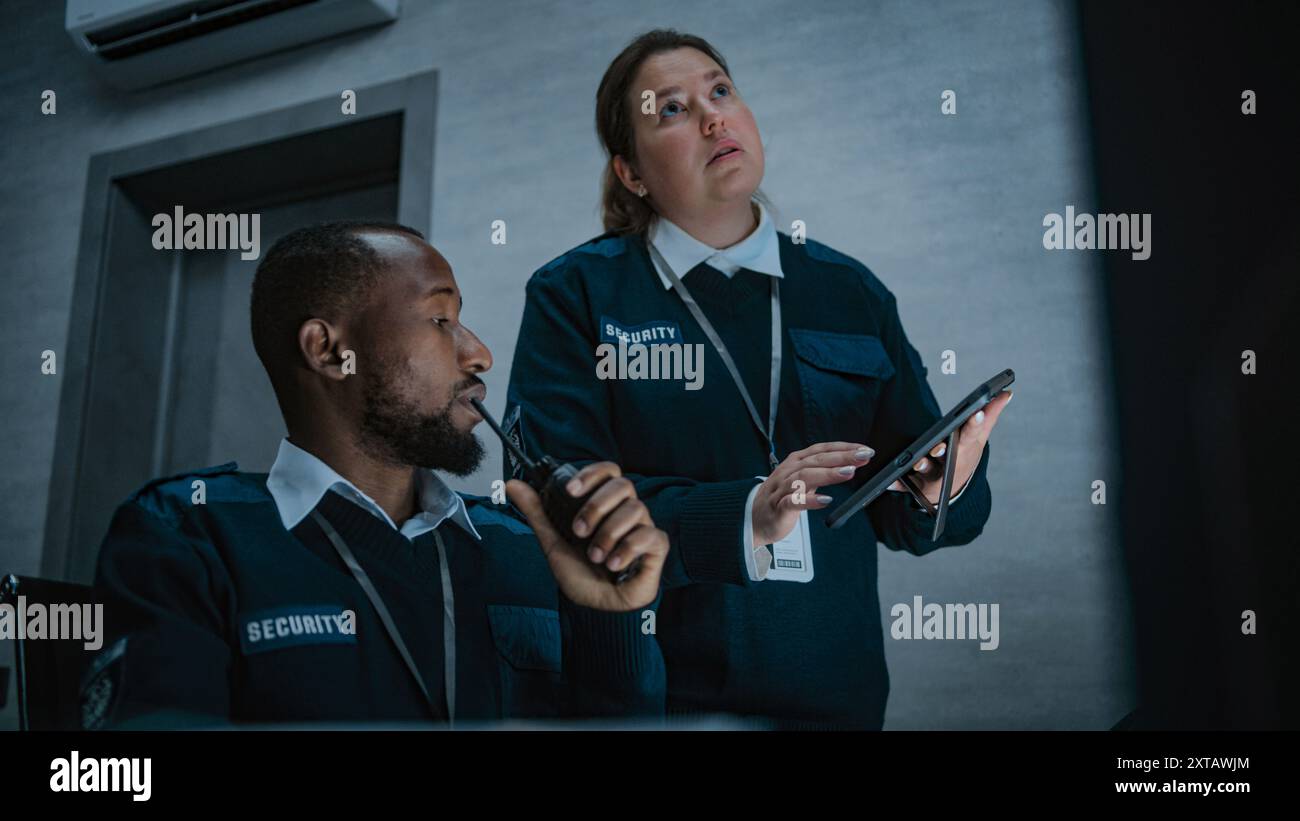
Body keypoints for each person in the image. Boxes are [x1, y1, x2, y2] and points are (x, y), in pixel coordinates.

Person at [503, 30, 1013, 729]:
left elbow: (915, 518)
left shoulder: (850, 290)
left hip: (840, 703)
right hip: (658, 705)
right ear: (631, 174)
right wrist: (747, 513)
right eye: (672, 110)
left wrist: (941, 483)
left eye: (720, 91)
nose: (713, 117)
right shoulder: (576, 295)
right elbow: (561, 503)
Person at [79, 221, 669, 729]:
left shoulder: (527, 542)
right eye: (440, 319)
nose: (480, 353)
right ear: (330, 350)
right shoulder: (188, 533)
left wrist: (612, 617)